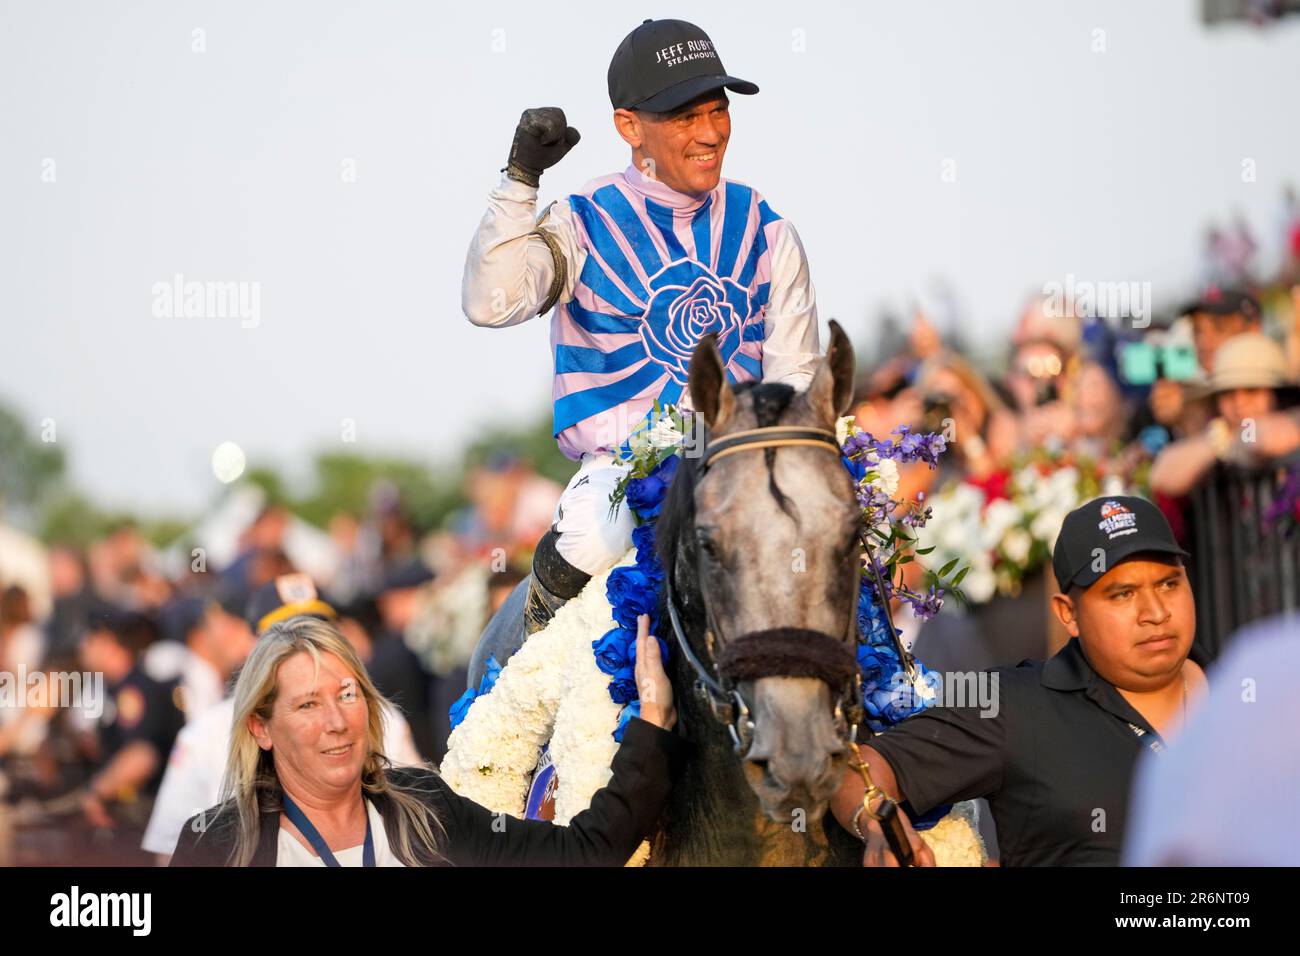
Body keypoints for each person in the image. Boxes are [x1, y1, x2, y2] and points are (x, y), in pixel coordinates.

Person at [461, 18, 820, 633]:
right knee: (593, 537)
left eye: (718, 111)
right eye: (686, 118)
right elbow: (490, 303)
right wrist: (520, 182)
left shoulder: (768, 230)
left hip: (741, 464)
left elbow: (797, 379)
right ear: (629, 127)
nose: (710, 134)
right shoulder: (581, 222)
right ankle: (518, 691)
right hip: (621, 476)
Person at [830, 495, 1207, 866]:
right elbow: (859, 767)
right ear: (1068, 614)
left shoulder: (1243, 690)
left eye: (1169, 585)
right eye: (1123, 594)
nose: (1156, 612)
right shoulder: (1014, 705)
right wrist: (881, 824)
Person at [171, 614, 679, 866]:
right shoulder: (216, 845)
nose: (336, 721)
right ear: (260, 727)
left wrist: (650, 724)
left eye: (347, 695)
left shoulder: (424, 808)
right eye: (307, 704)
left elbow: (583, 854)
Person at [141, 574, 422, 863]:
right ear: (253, 645)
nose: (303, 645)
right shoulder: (204, 733)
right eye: (283, 632)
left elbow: (418, 808)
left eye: (317, 628)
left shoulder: (383, 716)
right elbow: (171, 846)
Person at [1149, 332, 1300, 498]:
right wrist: (1220, 441)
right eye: (1228, 393)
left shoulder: (1291, 421)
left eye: (1252, 390)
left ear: (1278, 395)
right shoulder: (1222, 435)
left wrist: (1233, 440)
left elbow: (1261, 441)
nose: (1239, 403)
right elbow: (1160, 475)